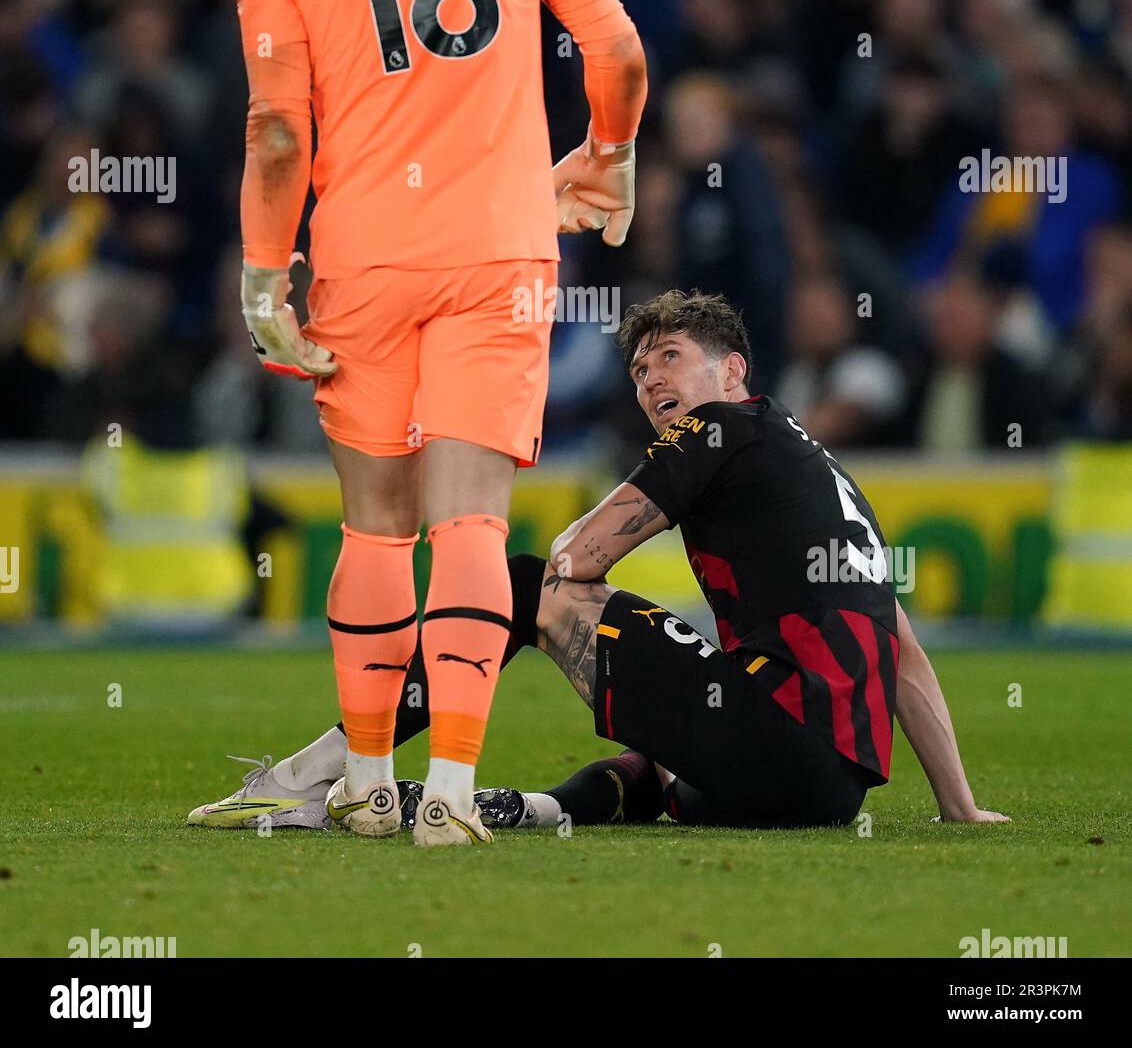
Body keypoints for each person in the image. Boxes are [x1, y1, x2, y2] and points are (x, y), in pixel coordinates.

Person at [233, 0, 646, 846]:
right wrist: (608, 151)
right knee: (470, 517)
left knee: (377, 530)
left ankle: (369, 784)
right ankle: (449, 799)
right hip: (496, 250)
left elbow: (278, 129)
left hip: (362, 257)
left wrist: (264, 269)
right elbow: (616, 48)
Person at [188, 291, 1006, 831]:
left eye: (671, 357)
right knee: (657, 762)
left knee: (517, 582)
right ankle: (529, 808)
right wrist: (959, 807)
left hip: (770, 739)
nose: (652, 381)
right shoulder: (825, 474)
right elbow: (901, 654)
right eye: (641, 369)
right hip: (825, 791)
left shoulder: (716, 429)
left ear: (733, 371)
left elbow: (578, 559)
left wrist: (571, 588)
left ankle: (332, 768)